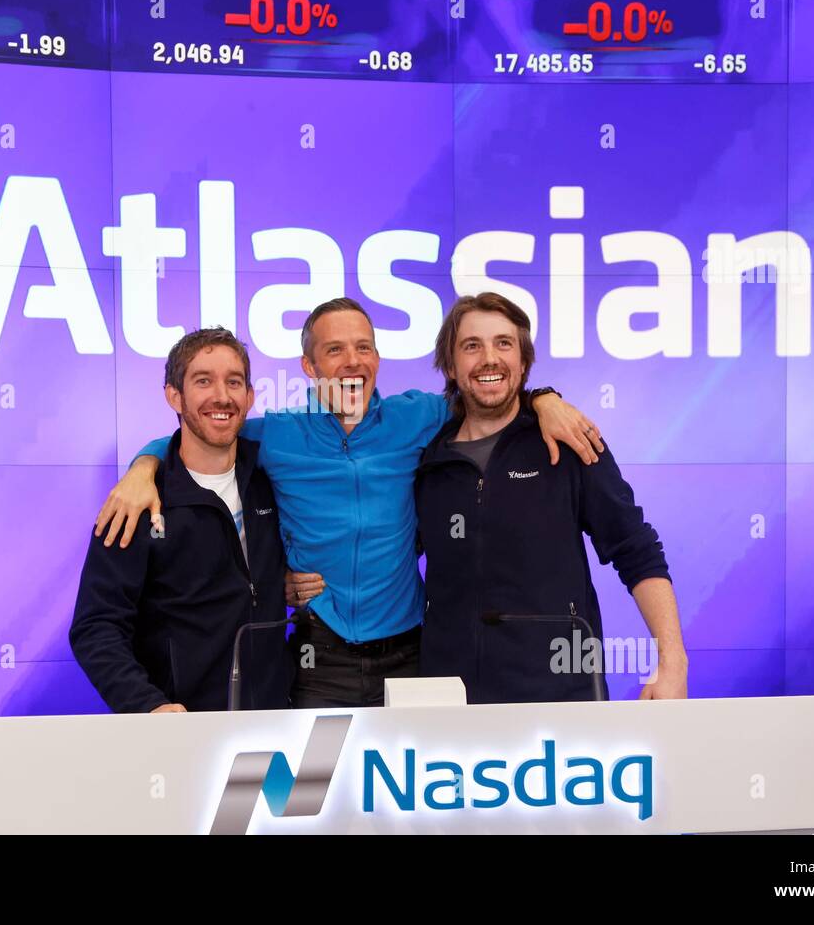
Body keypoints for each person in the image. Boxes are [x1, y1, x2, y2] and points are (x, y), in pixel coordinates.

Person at [94, 298, 605, 709]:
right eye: (334, 350)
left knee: (410, 806)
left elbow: (492, 392)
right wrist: (145, 465)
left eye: (364, 347)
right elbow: (206, 431)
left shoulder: (421, 416)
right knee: (322, 806)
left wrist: (546, 400)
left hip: (413, 653)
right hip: (321, 659)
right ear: (309, 366)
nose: (352, 361)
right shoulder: (278, 436)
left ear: (378, 359)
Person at [415, 293, 688, 703]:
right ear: (451, 367)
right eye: (472, 346)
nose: (490, 358)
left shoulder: (570, 442)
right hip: (449, 705)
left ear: (523, 362)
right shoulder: (427, 463)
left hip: (563, 698)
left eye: (504, 343)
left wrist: (672, 662)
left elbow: (636, 549)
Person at [69, 328, 293, 713]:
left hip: (274, 722)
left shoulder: (274, 479)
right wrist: (146, 704)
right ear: (174, 395)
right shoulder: (137, 502)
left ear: (250, 396)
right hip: (183, 733)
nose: (221, 396)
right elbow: (96, 626)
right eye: (203, 380)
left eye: (234, 382)